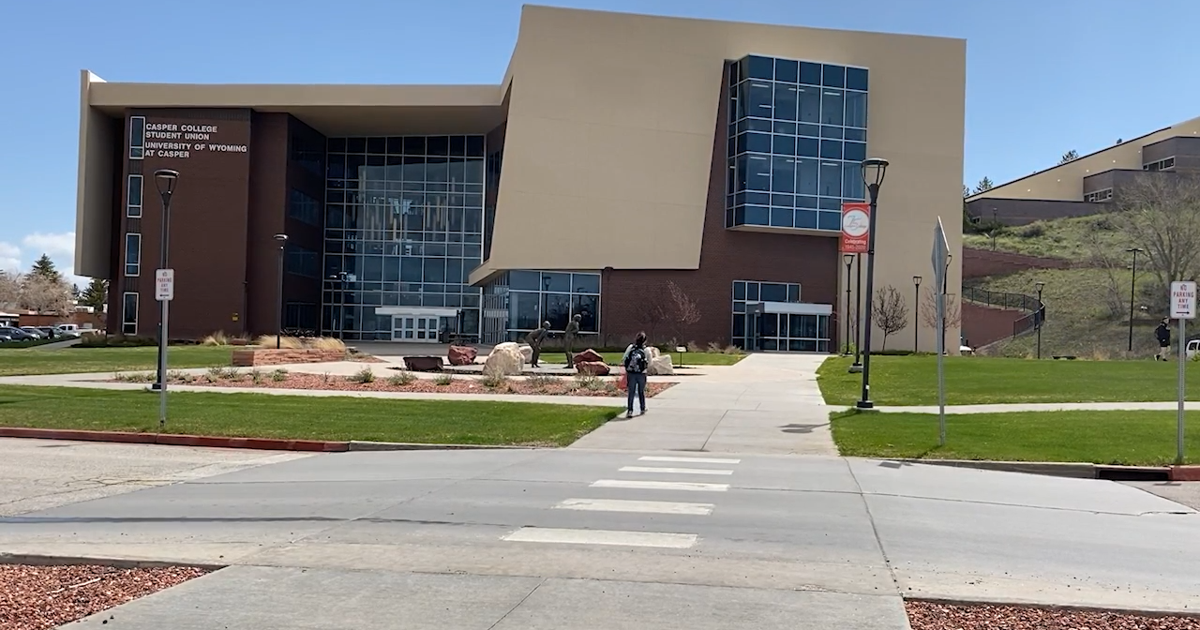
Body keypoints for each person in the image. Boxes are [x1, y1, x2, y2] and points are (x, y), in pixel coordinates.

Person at [622, 331, 651, 419]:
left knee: (631, 392)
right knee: (641, 391)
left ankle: (630, 410)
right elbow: (650, 362)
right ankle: (642, 408)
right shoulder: (646, 350)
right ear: (645, 340)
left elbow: (624, 358)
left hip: (631, 373)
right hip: (642, 373)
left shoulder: (631, 347)